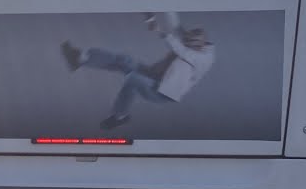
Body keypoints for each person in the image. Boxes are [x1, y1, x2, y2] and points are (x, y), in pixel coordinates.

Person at [60, 12, 216, 130]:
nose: (186, 42)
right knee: (124, 60)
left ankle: (120, 116)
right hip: (155, 74)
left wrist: (158, 30)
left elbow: (180, 49)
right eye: (187, 41)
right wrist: (167, 2)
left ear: (199, 46)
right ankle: (80, 59)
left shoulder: (203, 59)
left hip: (162, 92)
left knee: (132, 79)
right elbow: (176, 27)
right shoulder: (196, 42)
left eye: (189, 43)